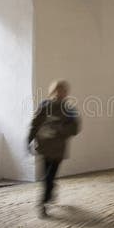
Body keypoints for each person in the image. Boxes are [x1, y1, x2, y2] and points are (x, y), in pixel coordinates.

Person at [27, 80, 80, 217]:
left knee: (50, 175)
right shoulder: (44, 105)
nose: (60, 93)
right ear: (53, 91)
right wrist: (29, 138)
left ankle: (43, 202)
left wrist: (59, 129)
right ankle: (48, 193)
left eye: (63, 91)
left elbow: (75, 128)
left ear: (66, 93)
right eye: (58, 90)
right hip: (44, 146)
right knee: (47, 176)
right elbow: (35, 123)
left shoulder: (69, 109)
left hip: (58, 148)